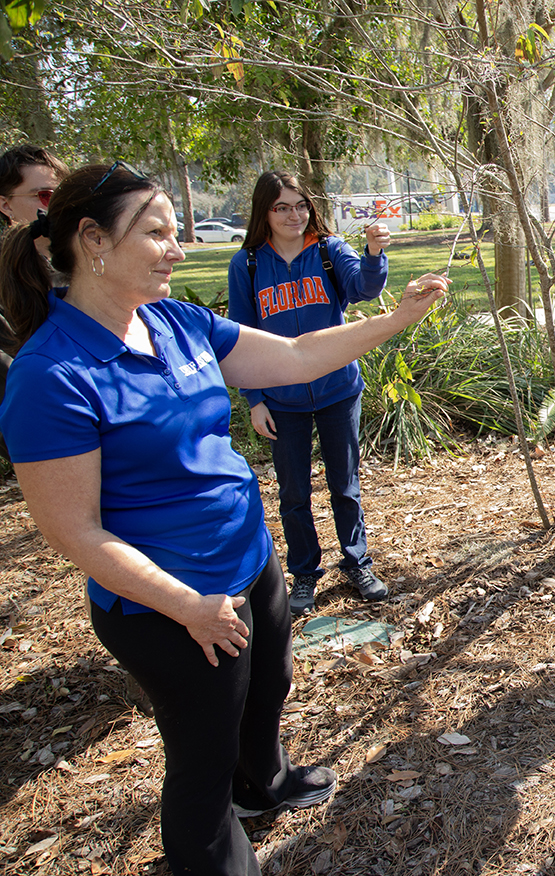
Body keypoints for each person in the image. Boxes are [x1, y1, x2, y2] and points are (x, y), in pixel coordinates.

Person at [0, 162, 447, 875]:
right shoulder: (51, 376)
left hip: (247, 559)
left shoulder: (174, 321)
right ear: (92, 241)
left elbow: (297, 355)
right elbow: (72, 531)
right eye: (157, 233)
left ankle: (264, 784)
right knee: (201, 760)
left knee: (268, 689)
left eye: (176, 232)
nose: (177, 249)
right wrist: (189, 607)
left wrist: (395, 318)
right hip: (168, 607)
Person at [227, 170, 391, 617]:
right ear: (264, 212)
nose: (293, 215)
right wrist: (254, 399)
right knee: (294, 492)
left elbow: (363, 288)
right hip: (281, 401)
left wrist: (374, 252)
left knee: (345, 484)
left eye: (300, 205)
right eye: (281, 207)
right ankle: (304, 572)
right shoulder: (247, 264)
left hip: (338, 390)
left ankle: (357, 562)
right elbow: (240, 335)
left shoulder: (328, 250)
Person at [0, 145, 69, 461]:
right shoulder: (7, 278)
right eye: (43, 196)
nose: (55, 205)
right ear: (5, 205)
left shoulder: (94, 261)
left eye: (62, 193)